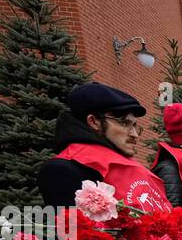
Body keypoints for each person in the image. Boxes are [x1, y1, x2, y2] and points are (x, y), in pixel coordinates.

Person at [38, 83, 171, 213]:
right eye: (125, 123)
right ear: (94, 122)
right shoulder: (63, 171)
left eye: (135, 126)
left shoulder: (129, 166)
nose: (134, 134)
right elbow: (74, 232)